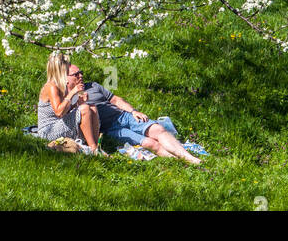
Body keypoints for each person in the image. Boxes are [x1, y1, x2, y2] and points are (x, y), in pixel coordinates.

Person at [66, 63, 203, 165]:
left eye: (81, 72)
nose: (81, 76)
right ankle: (180, 162)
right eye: (76, 74)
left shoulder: (93, 86)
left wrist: (133, 111)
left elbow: (116, 100)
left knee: (158, 129)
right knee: (150, 143)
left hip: (123, 116)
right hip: (110, 129)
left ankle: (191, 159)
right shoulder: (67, 97)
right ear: (66, 78)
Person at [36, 50, 102, 152]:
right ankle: (94, 149)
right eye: (67, 66)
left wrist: (78, 103)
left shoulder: (62, 86)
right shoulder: (51, 86)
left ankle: (96, 146)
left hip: (59, 125)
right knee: (84, 109)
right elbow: (59, 112)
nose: (69, 67)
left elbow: (66, 111)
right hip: (48, 131)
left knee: (91, 107)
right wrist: (73, 93)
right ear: (61, 70)